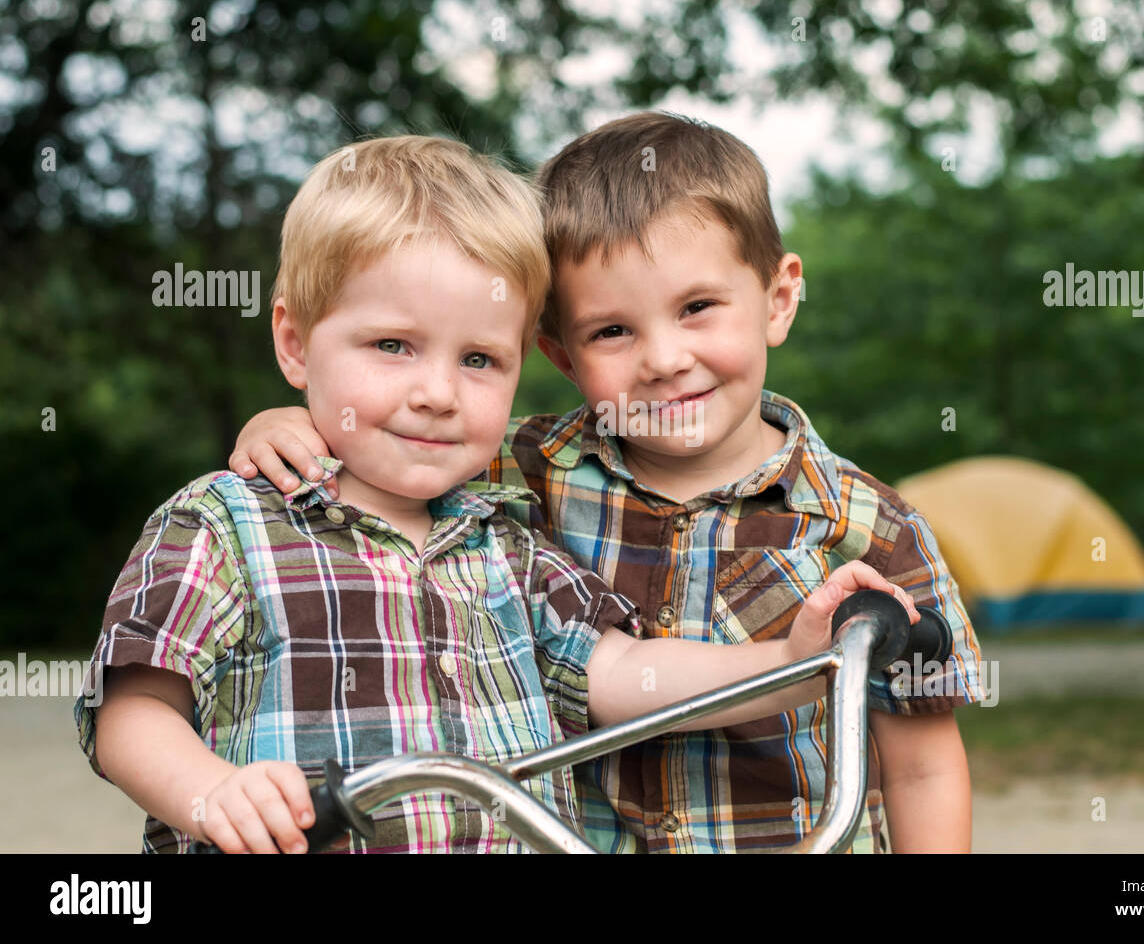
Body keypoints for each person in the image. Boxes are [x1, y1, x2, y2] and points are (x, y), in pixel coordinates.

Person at [74, 134, 906, 855]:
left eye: (478, 359)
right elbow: (130, 710)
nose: (438, 392)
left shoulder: (508, 537)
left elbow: (624, 670)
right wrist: (210, 791)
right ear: (295, 343)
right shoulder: (227, 523)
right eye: (393, 345)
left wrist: (794, 662)